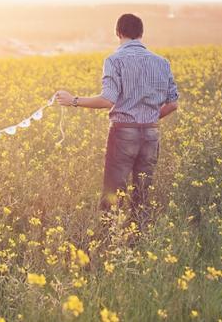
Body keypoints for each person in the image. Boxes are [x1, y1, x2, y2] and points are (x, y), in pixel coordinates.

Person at [56, 14, 179, 224]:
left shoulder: (114, 60)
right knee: (143, 192)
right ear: (141, 34)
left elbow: (107, 99)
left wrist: (73, 100)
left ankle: (110, 239)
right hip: (151, 133)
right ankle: (140, 240)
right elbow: (173, 104)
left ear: (118, 33)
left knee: (114, 191)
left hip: (123, 134)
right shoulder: (162, 62)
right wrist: (147, 117)